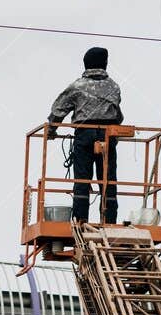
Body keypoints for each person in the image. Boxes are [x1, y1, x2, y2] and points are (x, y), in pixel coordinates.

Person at [48, 46, 123, 224]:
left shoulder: (78, 86)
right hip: (108, 135)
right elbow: (117, 113)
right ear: (105, 63)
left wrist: (51, 130)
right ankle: (109, 220)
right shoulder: (114, 86)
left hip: (85, 134)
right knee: (108, 181)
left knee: (82, 179)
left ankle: (80, 220)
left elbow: (58, 109)